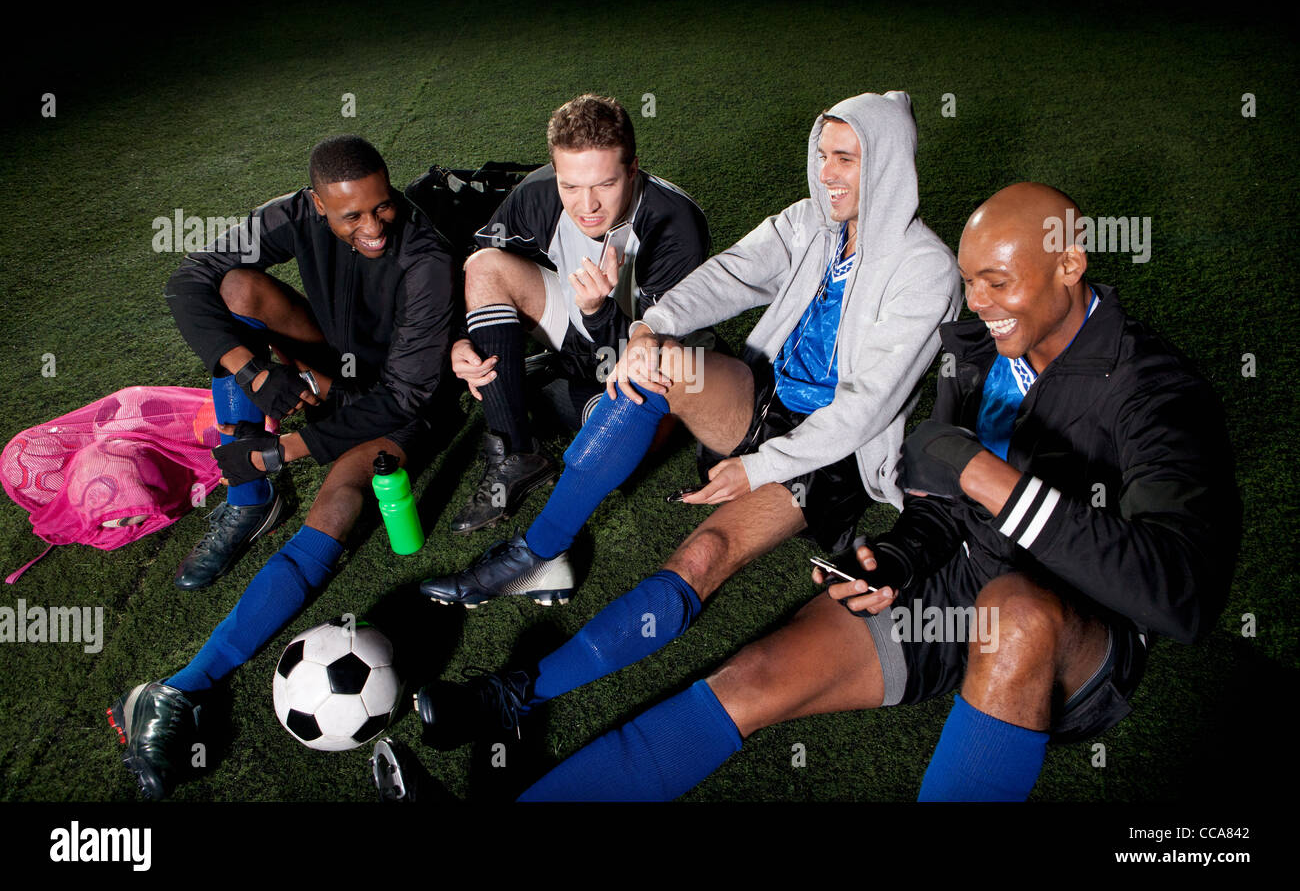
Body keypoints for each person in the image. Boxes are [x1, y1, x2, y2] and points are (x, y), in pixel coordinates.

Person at [509, 182, 1241, 801]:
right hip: (956, 584)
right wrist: (897, 558)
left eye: (999, 282)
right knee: (752, 679)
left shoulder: (1152, 390)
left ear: (1071, 264)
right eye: (970, 279)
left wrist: (990, 479)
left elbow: (1184, 595)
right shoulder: (978, 348)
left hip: (1070, 627)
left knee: (1013, 611)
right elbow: (936, 511)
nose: (978, 302)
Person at [414, 91, 963, 750]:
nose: (828, 173)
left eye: (846, 158)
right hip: (759, 399)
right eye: (822, 155)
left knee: (704, 554)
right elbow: (730, 273)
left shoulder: (927, 270)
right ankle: (539, 550)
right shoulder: (810, 222)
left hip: (827, 457)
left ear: (889, 163)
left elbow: (863, 410)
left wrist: (756, 469)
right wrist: (651, 328)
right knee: (658, 366)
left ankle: (510, 695)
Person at [108, 135, 458, 798]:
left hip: (406, 405)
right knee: (235, 286)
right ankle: (250, 499)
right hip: (336, 366)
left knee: (338, 500)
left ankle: (177, 690)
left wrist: (283, 447)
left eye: (381, 207)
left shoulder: (427, 255)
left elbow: (407, 395)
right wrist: (253, 370)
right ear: (316, 203)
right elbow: (188, 279)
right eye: (350, 215)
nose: (372, 226)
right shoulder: (289, 215)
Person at [447, 93, 710, 535]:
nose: (586, 206)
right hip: (579, 324)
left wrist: (597, 311)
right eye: (570, 185)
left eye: (604, 185)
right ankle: (516, 452)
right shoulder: (537, 193)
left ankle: (545, 385)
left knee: (617, 450)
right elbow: (482, 265)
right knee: (484, 265)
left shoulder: (674, 223)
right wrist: (459, 338)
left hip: (659, 357)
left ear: (632, 168)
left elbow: (651, 348)